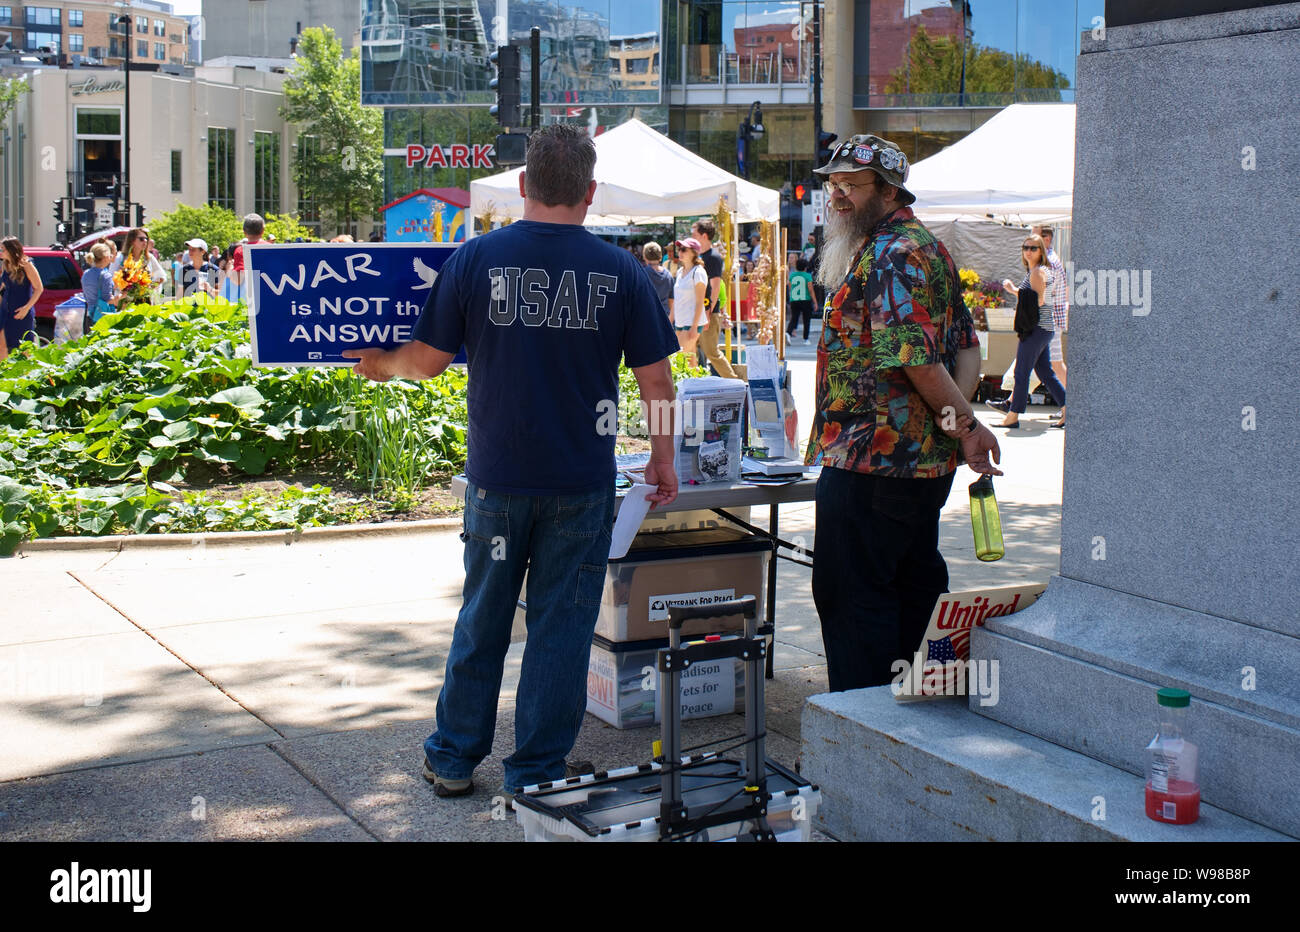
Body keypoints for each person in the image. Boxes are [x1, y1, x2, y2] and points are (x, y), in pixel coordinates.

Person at [342, 123, 680, 797]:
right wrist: (662, 459)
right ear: (590, 193)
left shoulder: (474, 259)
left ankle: (454, 759)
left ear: (524, 185)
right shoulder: (623, 273)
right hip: (581, 483)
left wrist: (383, 365)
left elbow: (428, 362)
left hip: (497, 479)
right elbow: (657, 383)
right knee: (560, 630)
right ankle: (534, 772)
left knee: (484, 617)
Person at [805, 134, 1003, 692]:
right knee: (908, 597)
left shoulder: (893, 252)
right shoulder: (921, 246)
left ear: (889, 191)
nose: (837, 196)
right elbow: (966, 347)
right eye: (833, 184)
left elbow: (916, 358)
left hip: (872, 467)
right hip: (907, 467)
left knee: (856, 608)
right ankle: (898, 736)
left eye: (851, 185)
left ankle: (862, 739)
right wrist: (946, 433)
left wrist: (960, 428)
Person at [991, 234, 1066, 429]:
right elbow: (1034, 296)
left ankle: (1013, 415)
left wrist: (1017, 291)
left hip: (1036, 328)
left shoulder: (1038, 272)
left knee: (1021, 372)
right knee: (1046, 373)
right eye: (1026, 247)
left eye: (1033, 248)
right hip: (1043, 328)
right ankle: (1068, 410)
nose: (1028, 251)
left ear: (1041, 250)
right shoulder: (1038, 271)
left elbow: (1039, 300)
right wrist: (1015, 290)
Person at [690, 218, 738, 379]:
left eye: (694, 234)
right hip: (697, 311)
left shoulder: (713, 258)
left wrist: (708, 311)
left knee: (711, 351)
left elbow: (715, 286)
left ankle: (735, 383)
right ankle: (695, 382)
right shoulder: (698, 257)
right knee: (690, 349)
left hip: (707, 311)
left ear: (704, 236)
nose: (692, 237)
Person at [1034, 224, 1068, 428]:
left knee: (1053, 366)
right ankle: (1012, 404)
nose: (1028, 247)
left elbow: (1045, 293)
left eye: (1033, 241)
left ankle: (1070, 407)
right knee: (1046, 366)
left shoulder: (1050, 262)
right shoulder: (1050, 260)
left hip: (1049, 320)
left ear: (1046, 240)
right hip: (1051, 320)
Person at [0, 236, 43, 361]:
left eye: (2, 249)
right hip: (5, 312)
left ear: (11, 250)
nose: (1, 252)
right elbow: (3, 289)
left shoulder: (26, 265)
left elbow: (39, 288)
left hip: (21, 312)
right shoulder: (5, 265)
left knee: (24, 347)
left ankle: (26, 376)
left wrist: (26, 308)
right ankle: (4, 376)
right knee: (2, 346)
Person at [671, 237, 709, 357]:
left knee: (678, 358)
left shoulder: (698, 272)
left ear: (694, 253)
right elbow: (677, 300)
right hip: (680, 322)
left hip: (692, 323)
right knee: (691, 363)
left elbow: (700, 302)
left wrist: (694, 326)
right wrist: (669, 320)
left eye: (684, 249)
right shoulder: (679, 272)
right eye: (679, 249)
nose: (680, 252)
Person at [111, 228, 167, 303]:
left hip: (145, 300)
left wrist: (149, 287)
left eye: (146, 239)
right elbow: (111, 279)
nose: (145, 241)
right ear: (132, 240)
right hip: (124, 301)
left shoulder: (149, 258)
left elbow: (161, 276)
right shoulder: (120, 258)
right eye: (141, 239)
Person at [80, 242, 118, 334]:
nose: (111, 257)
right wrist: (122, 295)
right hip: (103, 317)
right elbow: (108, 299)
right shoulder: (106, 276)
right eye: (110, 255)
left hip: (89, 315)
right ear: (105, 258)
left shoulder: (86, 274)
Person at [641, 242, 673, 320]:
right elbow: (671, 301)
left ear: (644, 256)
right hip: (664, 317)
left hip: (646, 317)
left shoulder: (642, 274)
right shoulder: (668, 275)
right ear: (660, 257)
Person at [786, 256, 814, 344]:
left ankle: (788, 332)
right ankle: (806, 338)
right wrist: (815, 302)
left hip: (794, 299)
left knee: (794, 318)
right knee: (806, 320)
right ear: (805, 267)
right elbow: (810, 289)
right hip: (805, 299)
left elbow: (790, 287)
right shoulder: (808, 276)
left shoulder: (792, 275)